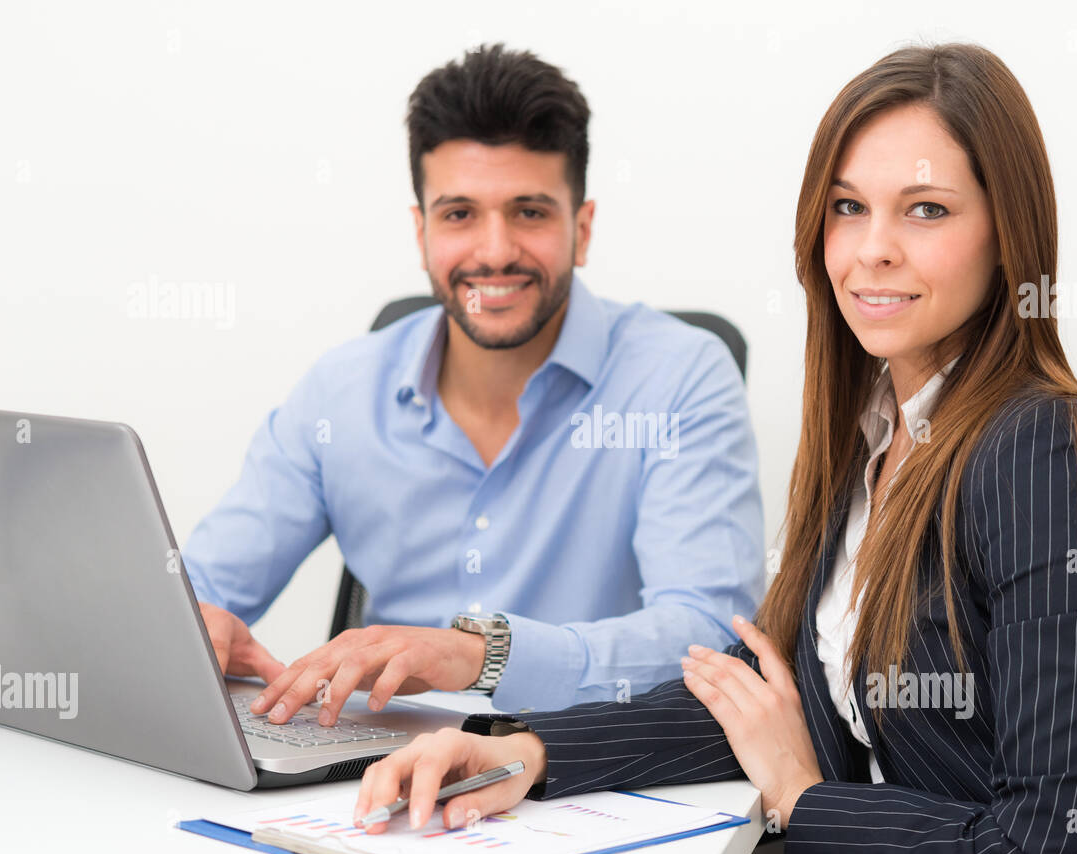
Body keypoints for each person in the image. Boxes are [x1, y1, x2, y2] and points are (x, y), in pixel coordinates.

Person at [353, 42, 1077, 854]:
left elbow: (1045, 849)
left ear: (1009, 235)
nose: (872, 247)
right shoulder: (875, 433)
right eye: (848, 207)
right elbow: (764, 702)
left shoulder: (1050, 454)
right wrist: (524, 749)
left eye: (926, 210)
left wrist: (803, 797)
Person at [181, 44, 764, 720]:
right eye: (459, 213)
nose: (494, 251)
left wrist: (481, 653)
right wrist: (195, 622)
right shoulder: (340, 392)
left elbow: (711, 636)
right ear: (421, 231)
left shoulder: (681, 377)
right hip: (369, 777)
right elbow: (198, 589)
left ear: (583, 227)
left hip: (583, 773)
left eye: (530, 212)